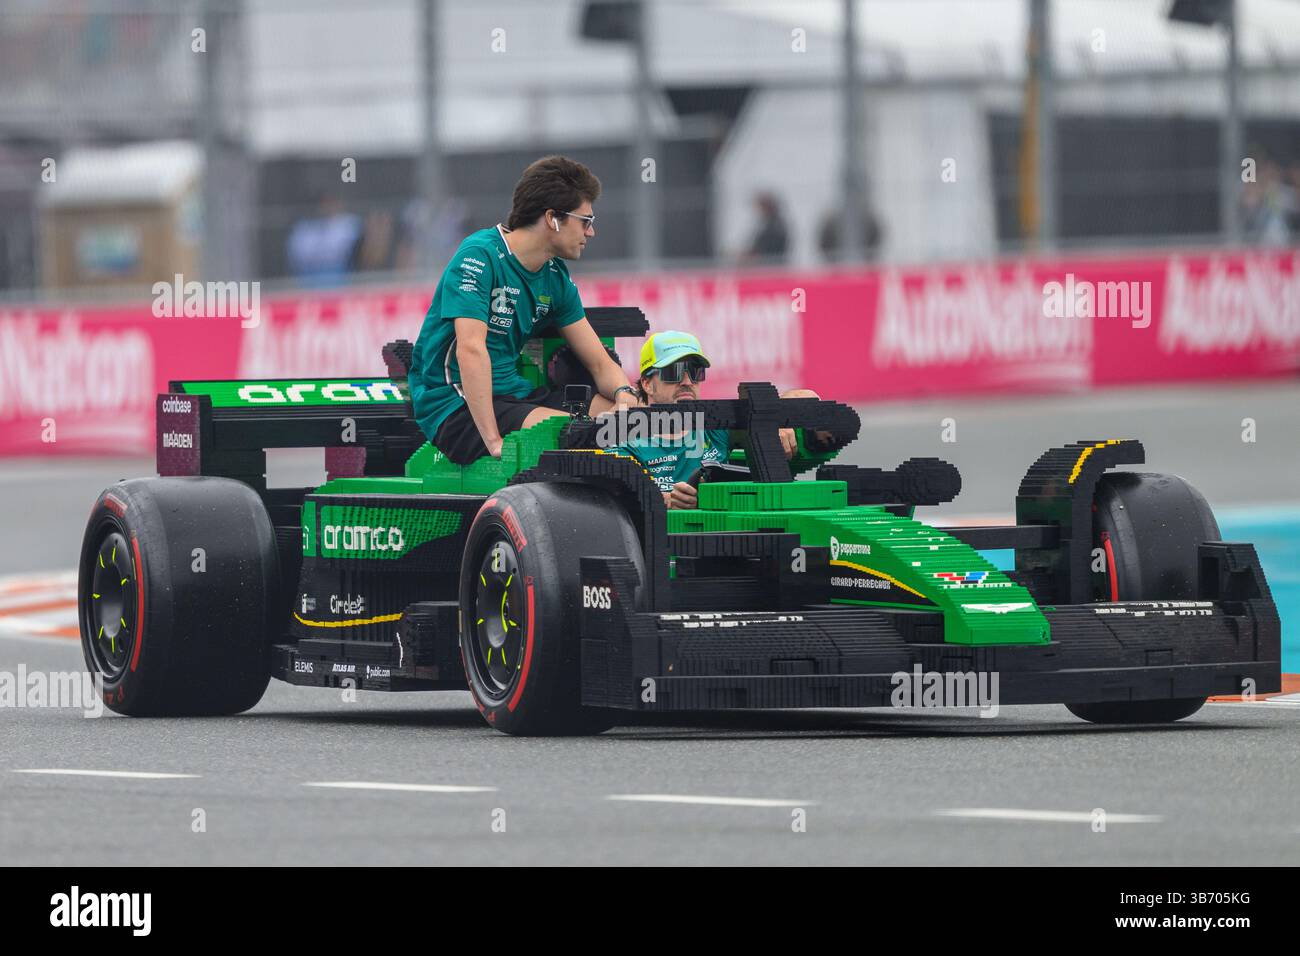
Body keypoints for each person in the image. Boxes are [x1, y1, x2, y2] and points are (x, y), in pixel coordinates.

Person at [408, 156, 639, 464]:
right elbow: (470, 351)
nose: (591, 233)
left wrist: (625, 394)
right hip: (454, 405)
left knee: (632, 424)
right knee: (573, 435)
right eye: (585, 221)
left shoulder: (555, 276)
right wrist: (493, 442)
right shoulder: (479, 255)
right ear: (553, 218)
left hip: (515, 397)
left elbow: (599, 362)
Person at [613, 330, 822, 509]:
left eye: (695, 372)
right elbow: (618, 499)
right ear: (647, 384)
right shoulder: (625, 440)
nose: (687, 381)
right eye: (673, 372)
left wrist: (778, 419)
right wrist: (665, 501)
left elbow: (810, 397)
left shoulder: (714, 425)